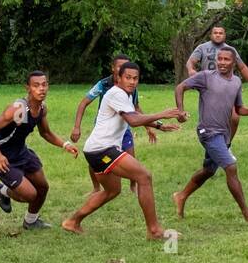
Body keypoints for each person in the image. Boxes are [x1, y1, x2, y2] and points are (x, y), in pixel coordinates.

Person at [61, 62, 187, 240]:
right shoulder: (116, 93)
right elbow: (133, 121)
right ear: (118, 78)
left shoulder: (125, 95)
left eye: (135, 78)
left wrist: (159, 126)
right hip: (102, 149)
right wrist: (161, 114)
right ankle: (154, 231)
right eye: (128, 77)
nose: (132, 81)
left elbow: (134, 116)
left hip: (96, 149)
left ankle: (72, 222)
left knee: (112, 191)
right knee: (144, 177)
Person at [172, 48, 248, 222]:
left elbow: (238, 109)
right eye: (220, 59)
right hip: (208, 132)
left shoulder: (236, 82)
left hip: (223, 134)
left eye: (226, 59)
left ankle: (181, 196)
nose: (222, 62)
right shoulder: (206, 76)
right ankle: (247, 212)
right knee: (230, 167)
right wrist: (180, 111)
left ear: (234, 63)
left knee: (208, 170)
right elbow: (180, 87)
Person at [70, 53, 177, 195]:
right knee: (99, 161)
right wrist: (77, 127)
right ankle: (97, 187)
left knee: (131, 161)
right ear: (113, 68)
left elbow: (136, 110)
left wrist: (154, 126)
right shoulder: (104, 85)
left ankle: (135, 185)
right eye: (120, 66)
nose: (125, 71)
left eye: (133, 76)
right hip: (104, 130)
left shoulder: (131, 88)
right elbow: (84, 102)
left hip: (124, 126)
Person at [0, 71, 78, 230]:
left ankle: (31, 221)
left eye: (44, 84)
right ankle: (4, 191)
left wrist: (65, 144)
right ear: (28, 88)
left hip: (22, 152)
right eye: (36, 85)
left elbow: (45, 133)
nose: (41, 89)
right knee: (30, 195)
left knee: (42, 187)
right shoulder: (20, 109)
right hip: (2, 156)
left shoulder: (41, 109)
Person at [184, 25, 248, 144]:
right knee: (213, 119)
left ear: (225, 35)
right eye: (215, 32)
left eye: (221, 33)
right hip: (209, 87)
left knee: (235, 118)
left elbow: (242, 67)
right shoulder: (202, 48)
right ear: (211, 35)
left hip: (227, 86)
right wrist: (191, 70)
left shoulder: (230, 50)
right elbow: (190, 62)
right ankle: (212, 142)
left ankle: (227, 144)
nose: (218, 35)